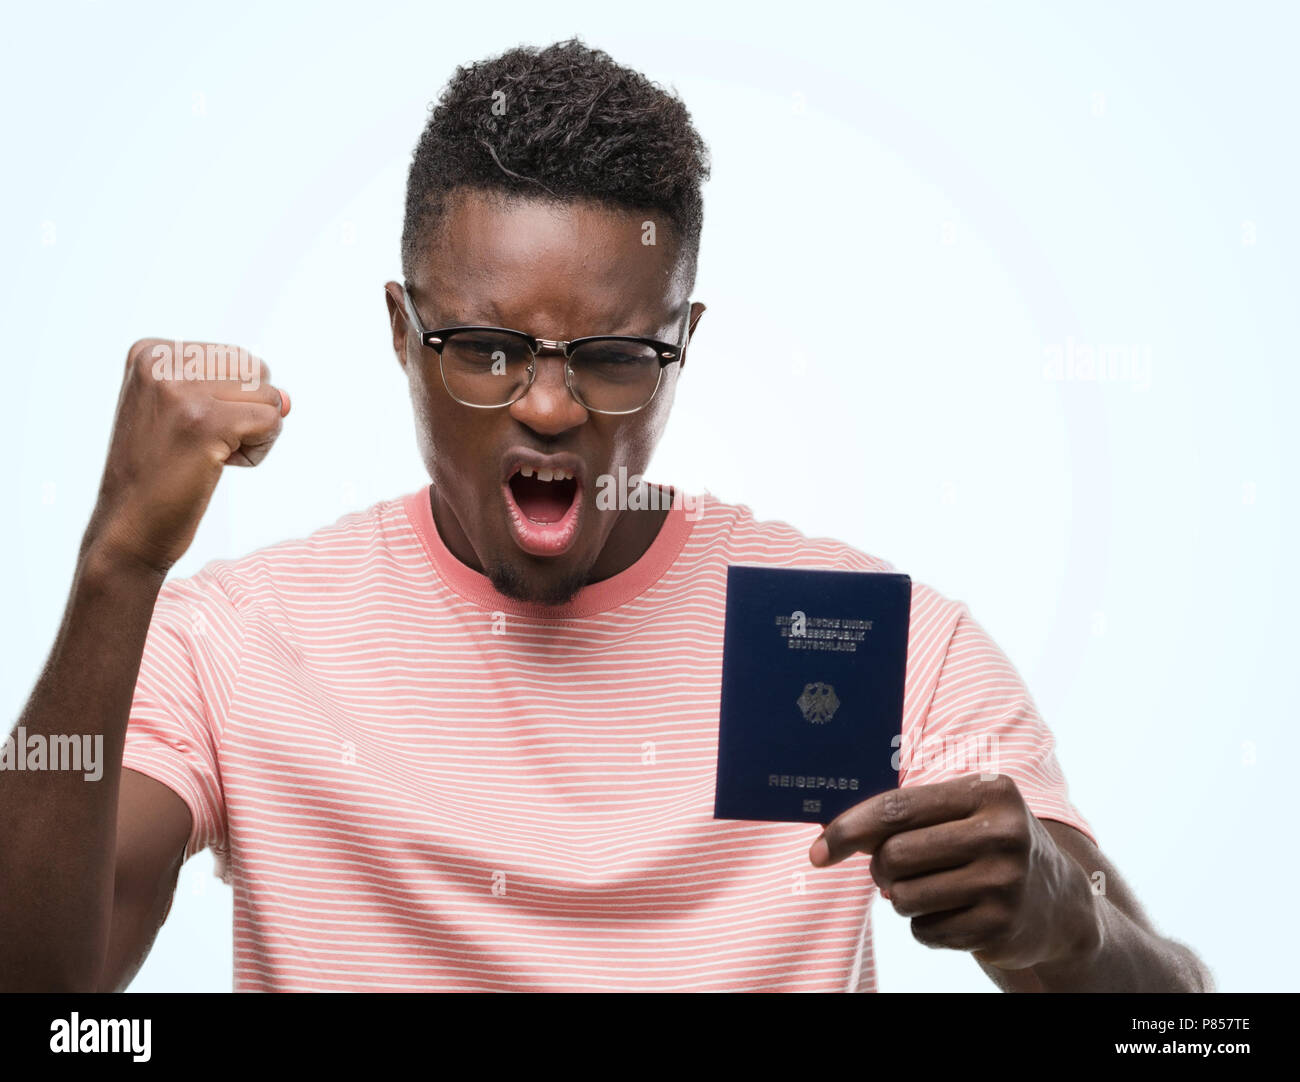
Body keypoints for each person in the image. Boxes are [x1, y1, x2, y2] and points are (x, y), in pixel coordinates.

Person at [0, 38, 1211, 993]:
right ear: (399, 334)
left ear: (681, 344)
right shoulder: (229, 641)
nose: (547, 405)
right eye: (483, 348)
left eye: (615, 354)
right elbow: (42, 980)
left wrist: (1063, 923)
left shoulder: (882, 645)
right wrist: (117, 562)